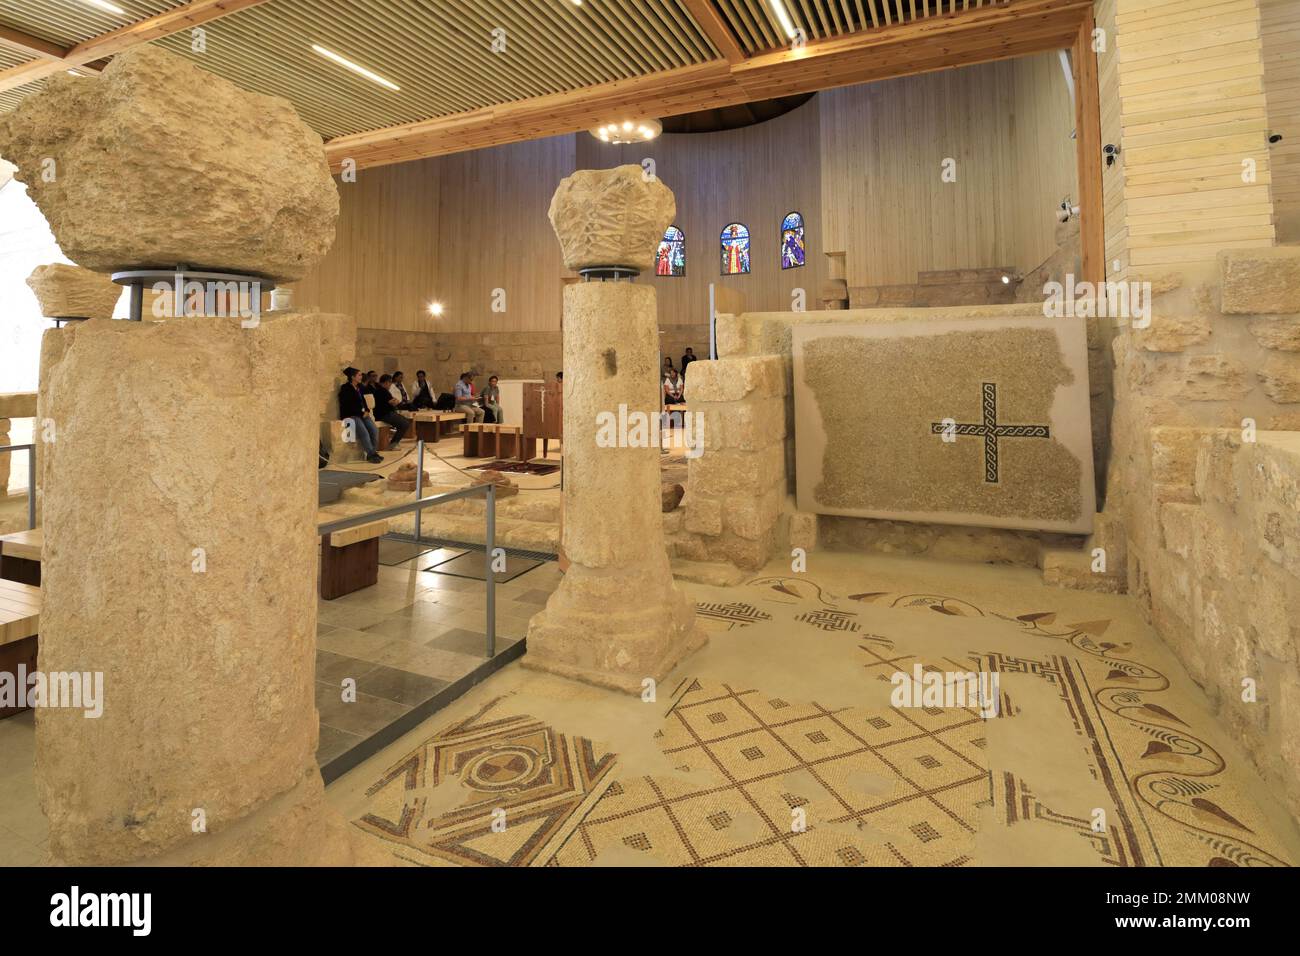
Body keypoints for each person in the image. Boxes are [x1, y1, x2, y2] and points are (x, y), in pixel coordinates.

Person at [338, 367, 383, 463]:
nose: (361, 377)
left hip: (362, 414)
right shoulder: (345, 388)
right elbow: (347, 404)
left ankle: (373, 453)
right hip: (351, 415)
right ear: (353, 377)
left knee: (374, 430)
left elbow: (363, 401)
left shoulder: (359, 387)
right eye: (359, 375)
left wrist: (366, 410)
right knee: (364, 433)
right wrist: (361, 413)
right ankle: (371, 455)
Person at [372, 374, 411, 448]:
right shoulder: (382, 391)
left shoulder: (380, 390)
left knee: (404, 422)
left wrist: (395, 401)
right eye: (390, 382)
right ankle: (393, 444)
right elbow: (394, 402)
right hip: (384, 414)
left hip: (385, 413)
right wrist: (395, 401)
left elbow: (394, 400)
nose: (390, 385)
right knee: (405, 423)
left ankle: (394, 443)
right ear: (386, 382)